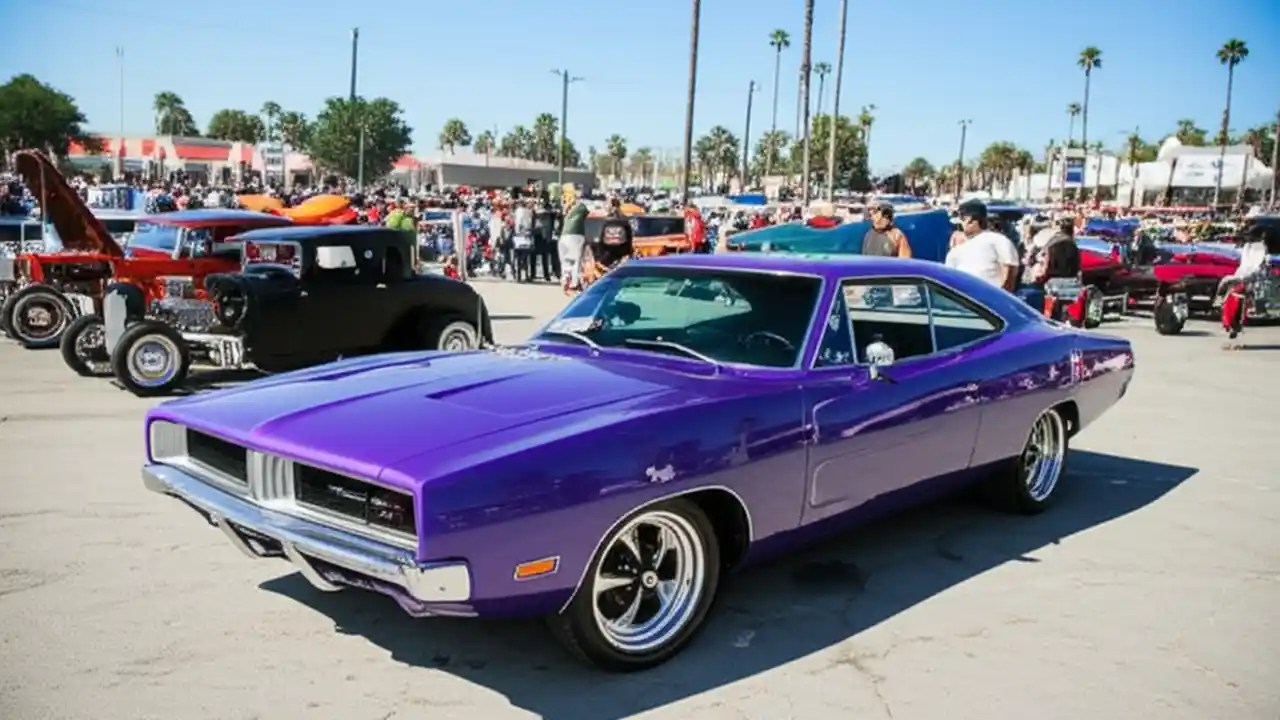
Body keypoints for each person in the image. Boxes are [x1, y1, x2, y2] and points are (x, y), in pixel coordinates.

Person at [945, 200, 1020, 291]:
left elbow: (1010, 271)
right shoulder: (955, 251)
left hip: (988, 298)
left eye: (960, 223)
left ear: (970, 220)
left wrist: (999, 297)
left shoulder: (997, 241)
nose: (957, 229)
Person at [559, 184, 589, 292]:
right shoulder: (583, 207)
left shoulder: (568, 208)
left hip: (564, 236)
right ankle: (574, 283)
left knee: (566, 260)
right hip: (576, 235)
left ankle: (565, 279)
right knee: (577, 260)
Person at [512, 199, 536, 282]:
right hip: (526, 235)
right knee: (525, 257)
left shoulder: (518, 211)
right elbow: (529, 223)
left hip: (519, 235)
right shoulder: (528, 212)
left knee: (519, 256)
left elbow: (518, 223)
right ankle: (524, 275)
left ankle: (519, 275)